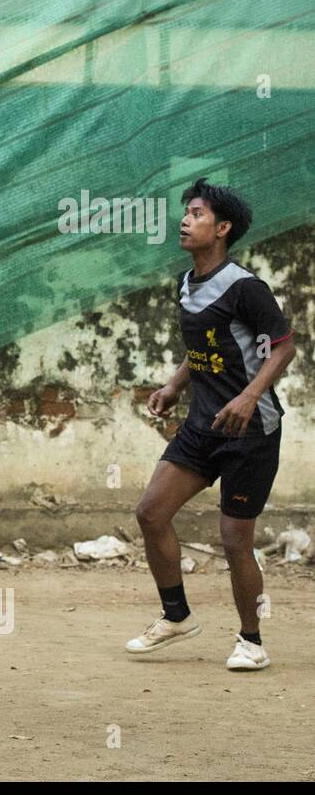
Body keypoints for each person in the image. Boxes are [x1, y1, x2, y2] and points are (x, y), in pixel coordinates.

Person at [127, 178, 295, 671]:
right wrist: (176, 384)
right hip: (203, 427)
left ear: (222, 229)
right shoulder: (187, 282)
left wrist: (249, 395)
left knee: (234, 540)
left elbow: (282, 346)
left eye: (197, 214)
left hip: (251, 431)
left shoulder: (246, 287)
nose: (185, 220)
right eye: (186, 212)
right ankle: (176, 617)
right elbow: (203, 348)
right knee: (151, 512)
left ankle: (251, 641)